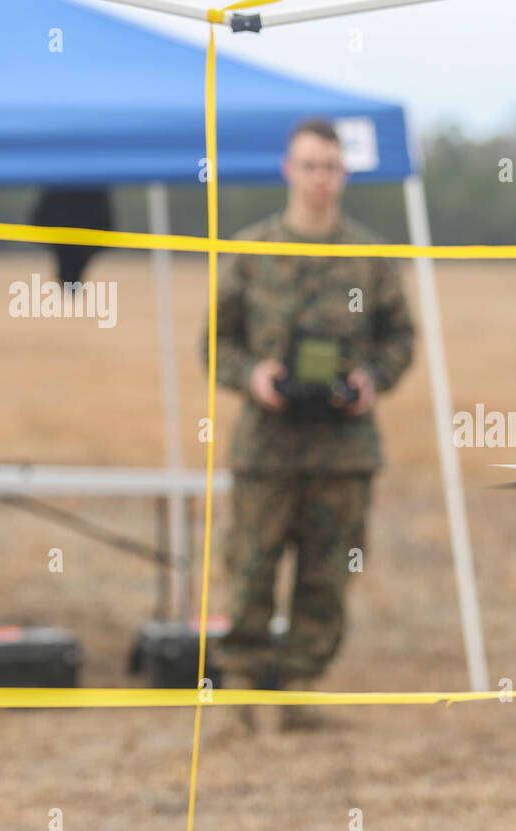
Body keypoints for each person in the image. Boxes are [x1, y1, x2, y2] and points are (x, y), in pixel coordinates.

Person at [201, 117, 415, 731]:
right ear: (288, 170)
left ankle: (296, 689)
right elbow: (215, 341)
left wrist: (372, 378)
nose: (320, 178)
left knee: (330, 573)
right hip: (266, 448)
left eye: (330, 167)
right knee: (250, 569)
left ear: (343, 174)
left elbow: (401, 337)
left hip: (344, 451)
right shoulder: (252, 252)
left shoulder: (369, 258)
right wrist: (254, 376)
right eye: (309, 165)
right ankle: (241, 692)